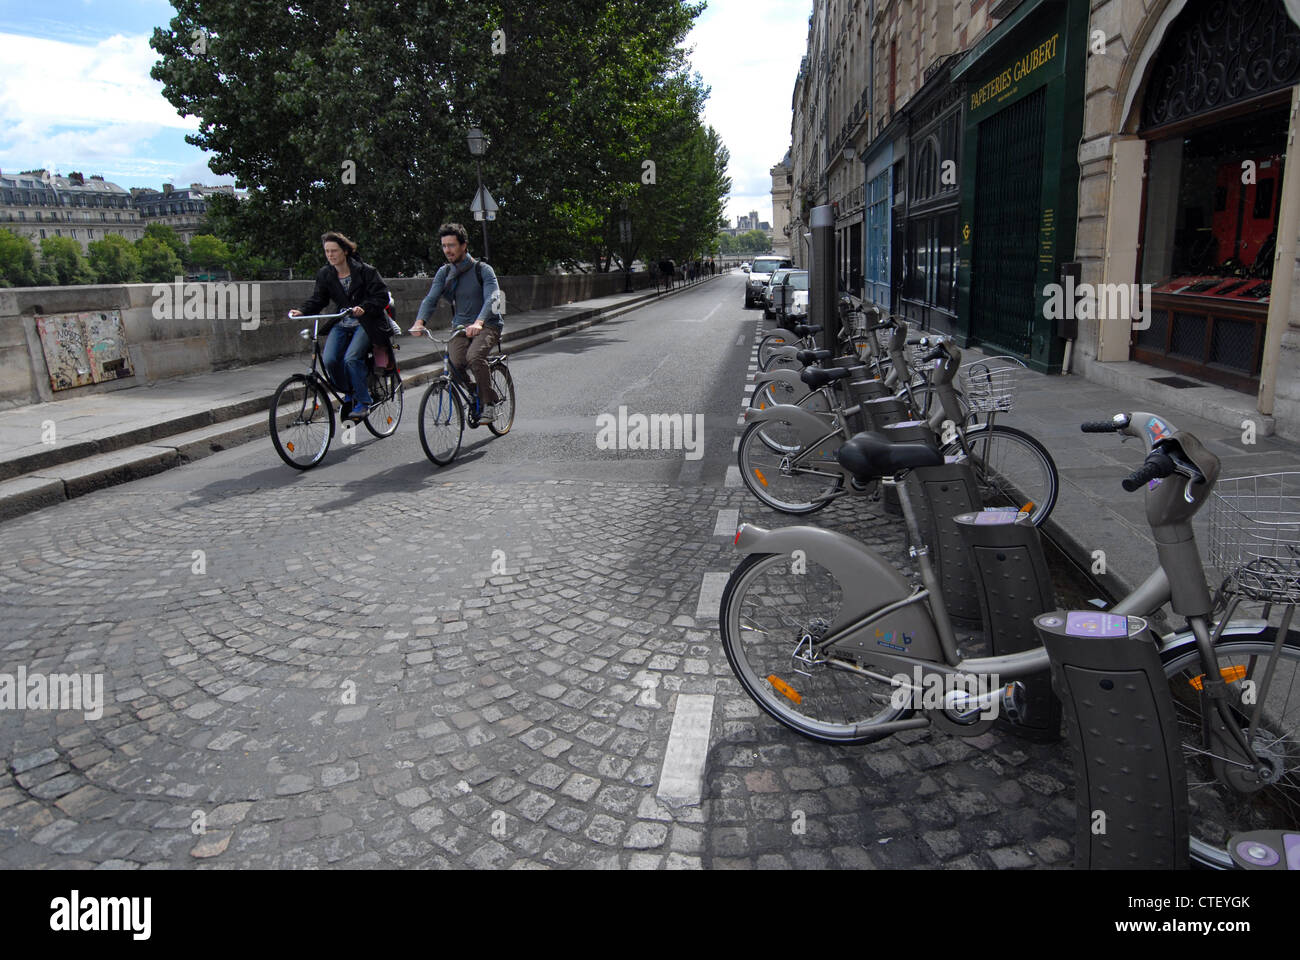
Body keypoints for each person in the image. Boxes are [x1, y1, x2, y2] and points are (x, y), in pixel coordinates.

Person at [289, 231, 394, 422]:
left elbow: (382, 297)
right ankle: (350, 391)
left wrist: (364, 307)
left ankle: (363, 400)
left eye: (334, 251)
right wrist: (302, 311)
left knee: (351, 358)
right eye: (327, 251)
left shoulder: (366, 271)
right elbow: (318, 299)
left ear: (345, 251)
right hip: (342, 321)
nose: (330, 255)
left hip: (366, 322)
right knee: (329, 360)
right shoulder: (325, 274)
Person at [408, 223, 504, 420]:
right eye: (444, 246)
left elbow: (493, 297)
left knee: (475, 357)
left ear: (464, 245)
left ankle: (489, 404)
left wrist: (479, 322)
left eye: (451, 245)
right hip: (460, 326)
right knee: (453, 365)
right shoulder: (444, 273)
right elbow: (431, 298)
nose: (447, 250)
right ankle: (478, 392)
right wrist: (420, 322)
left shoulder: (483, 269)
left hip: (488, 324)